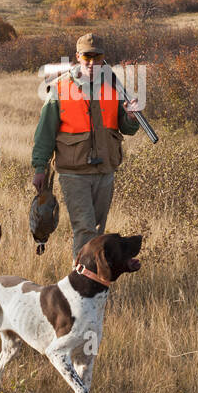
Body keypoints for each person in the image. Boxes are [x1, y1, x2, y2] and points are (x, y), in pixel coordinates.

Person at [31, 31, 139, 260]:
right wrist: (39, 168)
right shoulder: (60, 88)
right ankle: (79, 282)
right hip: (74, 172)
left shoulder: (114, 88)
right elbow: (45, 133)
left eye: (96, 57)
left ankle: (91, 281)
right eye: (86, 57)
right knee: (85, 228)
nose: (91, 62)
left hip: (105, 170)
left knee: (98, 231)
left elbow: (127, 129)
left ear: (103, 58)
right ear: (77, 56)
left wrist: (131, 118)